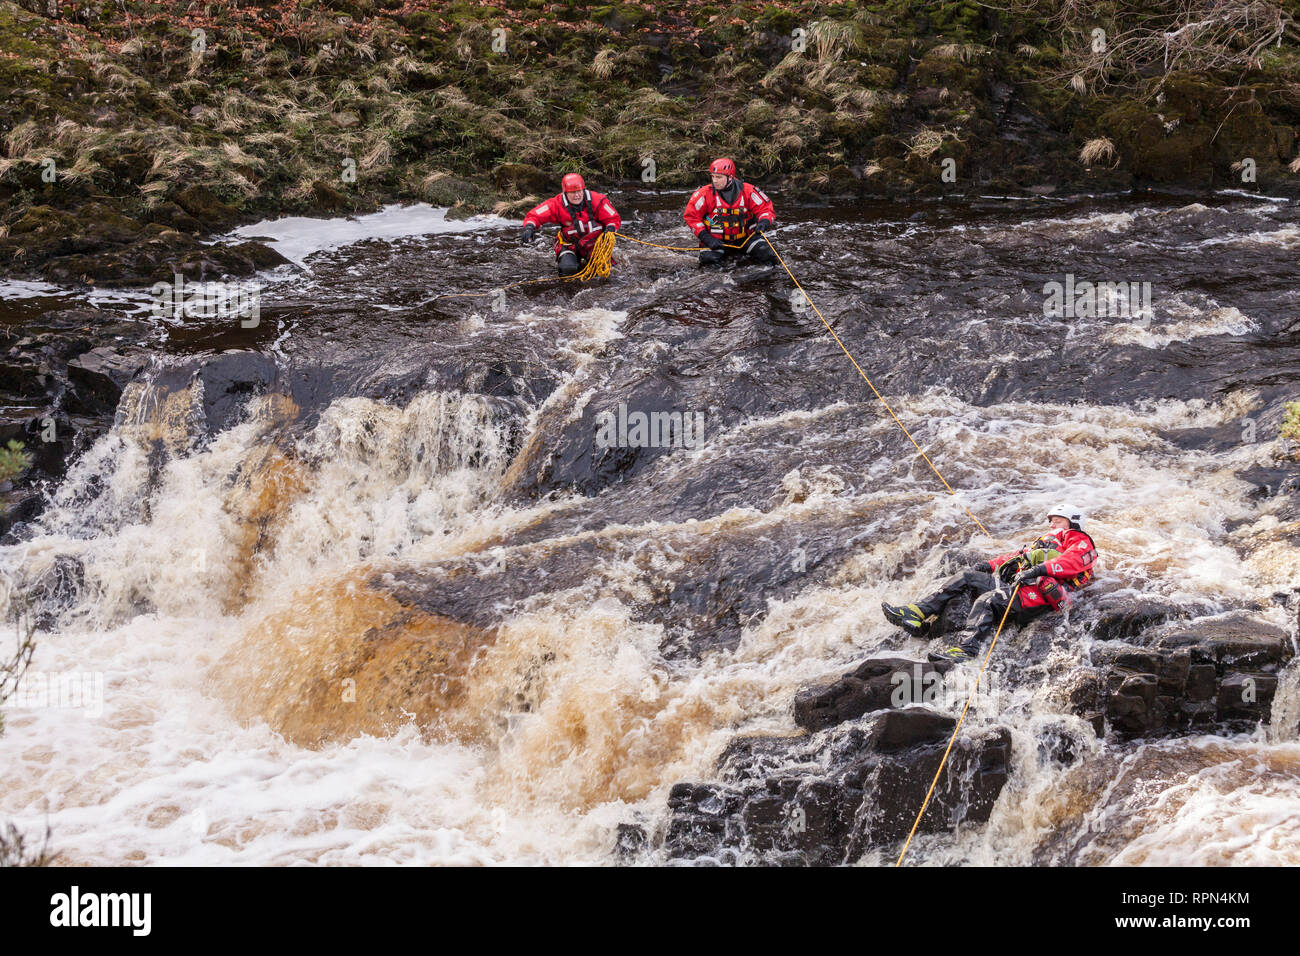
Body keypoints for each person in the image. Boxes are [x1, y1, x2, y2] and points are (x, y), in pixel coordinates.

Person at [881, 504, 1099, 663]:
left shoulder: (1079, 539)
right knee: (967, 578)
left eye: (1057, 520)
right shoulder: (1045, 541)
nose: (1051, 524)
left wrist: (1039, 569)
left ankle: (967, 649)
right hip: (1020, 586)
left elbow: (1073, 560)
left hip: (1040, 595)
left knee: (989, 600)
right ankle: (918, 613)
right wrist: (988, 565)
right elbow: (1017, 556)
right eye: (1050, 520)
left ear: (1073, 522)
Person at [520, 174, 622, 276]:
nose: (577, 195)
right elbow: (535, 215)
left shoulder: (598, 200)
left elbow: (613, 218)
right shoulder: (556, 204)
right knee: (568, 269)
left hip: (594, 246)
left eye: (579, 191)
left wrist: (610, 228)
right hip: (569, 245)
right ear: (565, 193)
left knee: (606, 272)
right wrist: (529, 227)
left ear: (583, 189)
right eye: (572, 192)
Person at [683, 158, 777, 266]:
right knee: (709, 263)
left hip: (745, 238)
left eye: (719, 177)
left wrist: (764, 222)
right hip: (715, 241)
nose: (714, 181)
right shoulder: (703, 194)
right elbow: (691, 217)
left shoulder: (749, 191)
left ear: (730, 177)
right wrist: (706, 238)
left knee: (769, 256)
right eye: (713, 176)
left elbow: (765, 209)